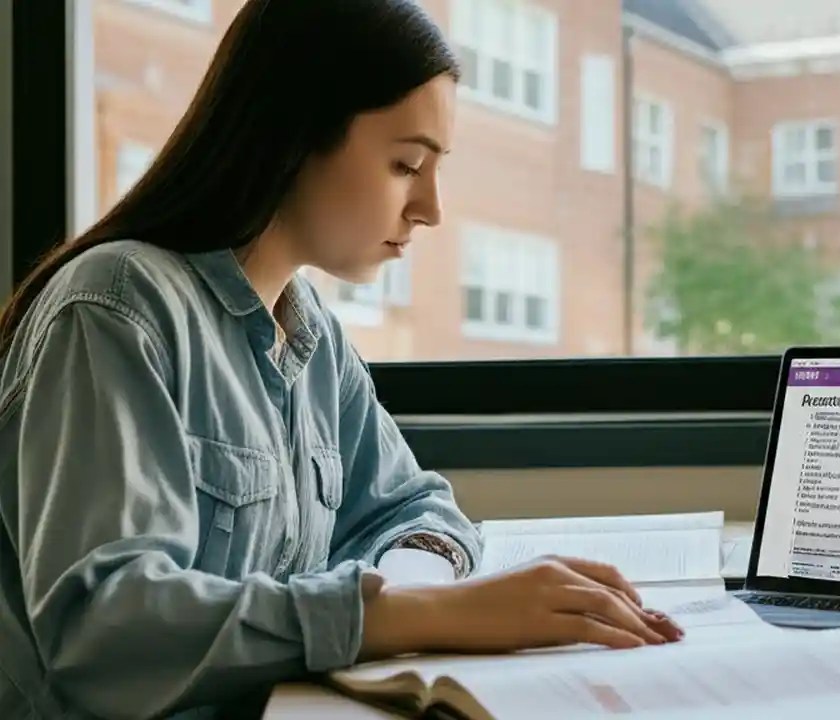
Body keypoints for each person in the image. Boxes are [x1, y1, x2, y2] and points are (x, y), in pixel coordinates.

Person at [0, 1, 683, 718]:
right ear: (294, 136)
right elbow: (102, 632)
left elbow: (415, 507)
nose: (430, 208)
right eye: (405, 164)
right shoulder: (114, 307)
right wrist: (419, 618)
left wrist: (417, 590)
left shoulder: (311, 334)